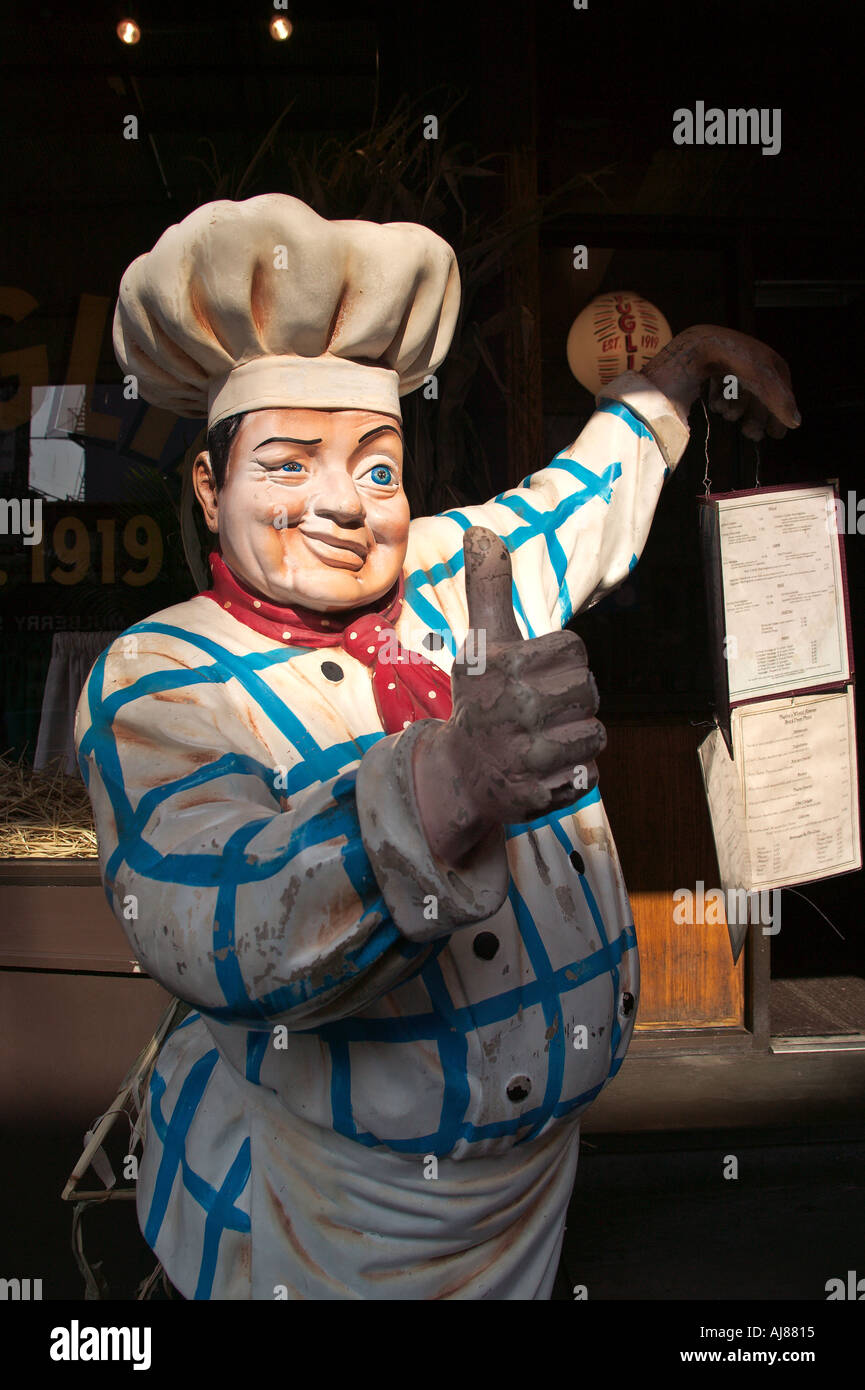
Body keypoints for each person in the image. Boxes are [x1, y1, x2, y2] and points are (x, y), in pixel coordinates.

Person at [75, 194, 798, 1299]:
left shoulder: (453, 566)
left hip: (530, 1192)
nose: (344, 506)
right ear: (210, 486)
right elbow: (210, 912)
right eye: (286, 466)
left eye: (376, 467)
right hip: (326, 1216)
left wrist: (678, 374)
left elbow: (577, 505)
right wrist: (449, 785)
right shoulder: (160, 674)